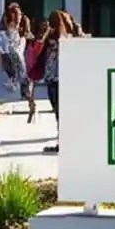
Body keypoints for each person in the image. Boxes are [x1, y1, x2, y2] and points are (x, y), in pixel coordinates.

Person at [36, 10, 73, 155]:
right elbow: (39, 51)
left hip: (60, 81)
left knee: (61, 113)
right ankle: (61, 142)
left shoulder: (64, 41)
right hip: (51, 80)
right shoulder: (50, 39)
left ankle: (63, 143)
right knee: (58, 113)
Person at [0, 4, 27, 97]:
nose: (19, 19)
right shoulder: (0, 35)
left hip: (19, 74)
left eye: (20, 16)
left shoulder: (21, 35)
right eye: (17, 16)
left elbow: (19, 53)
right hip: (4, 75)